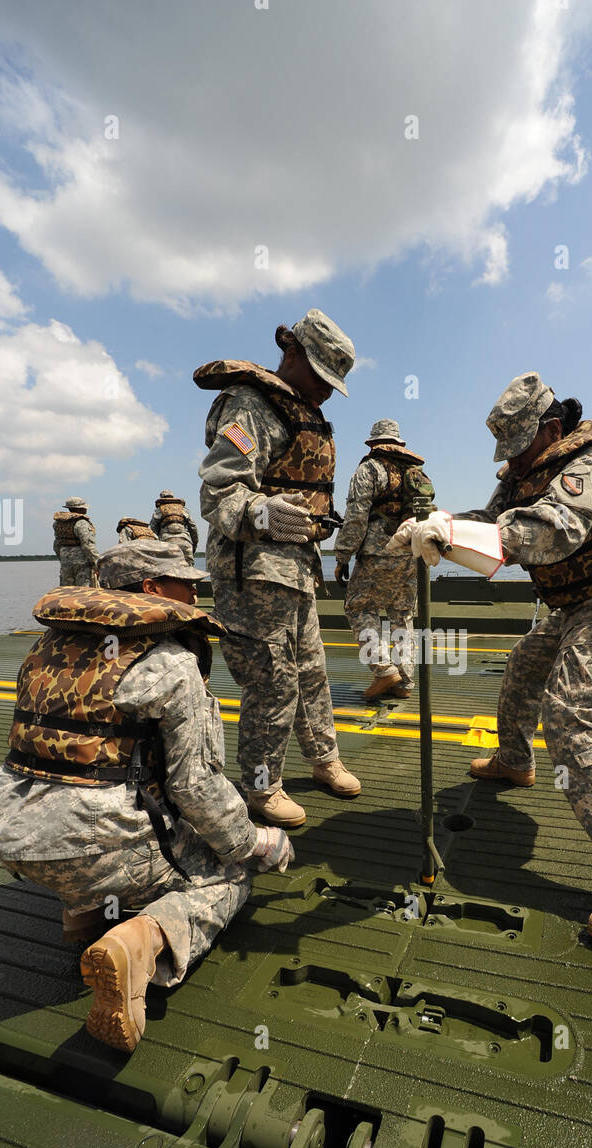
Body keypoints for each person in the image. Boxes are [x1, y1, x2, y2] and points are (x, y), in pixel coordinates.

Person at [389, 373, 592, 944]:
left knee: (568, 716)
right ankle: (514, 760)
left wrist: (451, 535)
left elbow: (554, 531)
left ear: (550, 429)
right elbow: (490, 518)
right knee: (524, 666)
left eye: (519, 446)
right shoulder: (527, 473)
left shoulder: (588, 466)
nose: (512, 461)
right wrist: (437, 525)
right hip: (575, 603)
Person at [0, 539, 291, 1053]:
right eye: (185, 582)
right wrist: (256, 843)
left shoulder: (47, 647)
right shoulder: (169, 663)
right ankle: (139, 941)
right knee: (228, 876)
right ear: (151, 589)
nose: (195, 590)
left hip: (8, 829)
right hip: (89, 840)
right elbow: (196, 786)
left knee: (101, 814)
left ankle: (83, 913)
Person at [196, 309, 361, 830]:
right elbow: (218, 490)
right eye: (321, 377)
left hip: (297, 568)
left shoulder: (301, 412)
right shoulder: (250, 407)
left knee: (311, 671)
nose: (327, 393)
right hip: (253, 572)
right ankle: (261, 787)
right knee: (271, 682)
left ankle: (323, 757)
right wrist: (261, 511)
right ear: (290, 352)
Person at [334, 418, 434, 700]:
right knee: (402, 615)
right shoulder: (413, 471)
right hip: (411, 552)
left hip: (379, 552)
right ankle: (404, 681)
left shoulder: (369, 469)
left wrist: (342, 556)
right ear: (398, 443)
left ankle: (382, 670)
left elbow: (355, 519)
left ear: (374, 443)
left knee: (358, 608)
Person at [52, 497, 100, 586]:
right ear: (80, 508)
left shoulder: (58, 523)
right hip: (81, 561)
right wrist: (97, 563)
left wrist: (62, 558)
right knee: (83, 590)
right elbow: (88, 546)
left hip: (65, 559)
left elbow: (56, 545)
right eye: (84, 507)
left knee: (67, 589)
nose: (86, 509)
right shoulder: (81, 523)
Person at [151, 490, 200, 564]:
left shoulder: (158, 510)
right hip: (185, 544)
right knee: (189, 572)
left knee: (169, 572)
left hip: (166, 544)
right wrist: (194, 545)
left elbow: (152, 531)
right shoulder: (183, 509)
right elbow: (193, 528)